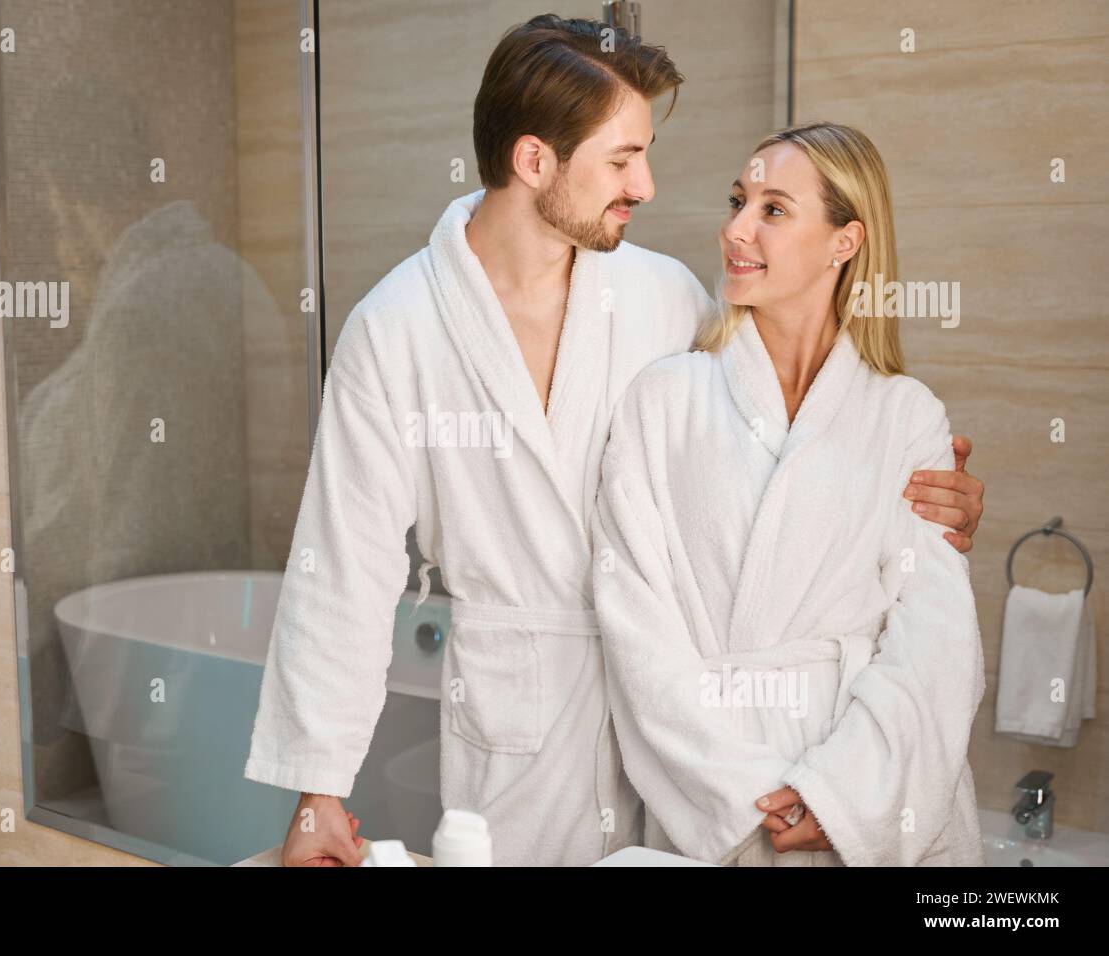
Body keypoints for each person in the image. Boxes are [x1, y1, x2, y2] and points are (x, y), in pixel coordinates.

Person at [246, 16, 985, 866]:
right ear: (535, 162)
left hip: (689, 727)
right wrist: (317, 792)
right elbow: (344, 567)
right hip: (522, 722)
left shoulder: (664, 298)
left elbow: (784, 433)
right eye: (623, 158)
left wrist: (934, 505)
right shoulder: (396, 332)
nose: (647, 185)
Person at [592, 122, 986, 866]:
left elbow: (936, 644)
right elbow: (635, 627)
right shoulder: (664, 400)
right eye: (738, 201)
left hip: (873, 789)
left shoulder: (907, 416)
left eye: (773, 210)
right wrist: (746, 800)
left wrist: (846, 799)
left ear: (845, 241)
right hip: (720, 801)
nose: (737, 229)